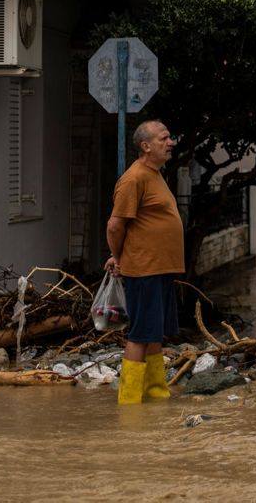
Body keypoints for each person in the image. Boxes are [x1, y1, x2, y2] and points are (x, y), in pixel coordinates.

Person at [105, 120, 184, 404]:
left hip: (160, 268)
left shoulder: (155, 174)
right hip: (144, 268)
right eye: (164, 138)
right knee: (139, 334)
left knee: (154, 334)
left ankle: (155, 393)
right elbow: (115, 225)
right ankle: (128, 402)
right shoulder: (134, 178)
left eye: (170, 136)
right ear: (146, 146)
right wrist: (118, 257)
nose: (170, 142)